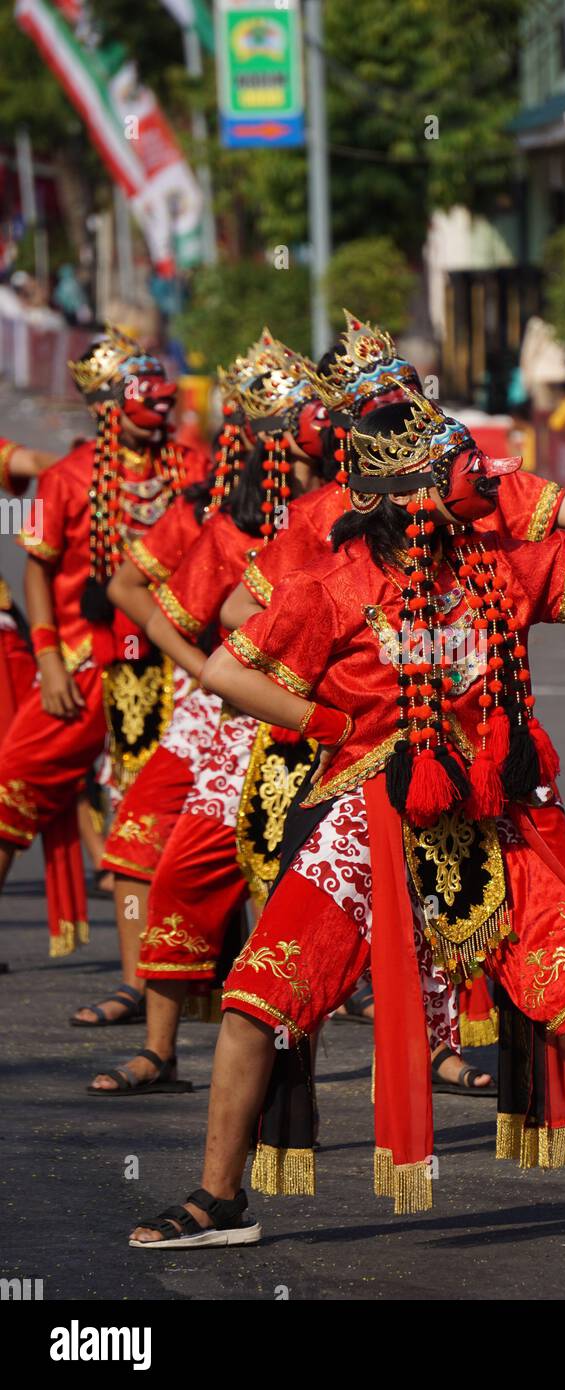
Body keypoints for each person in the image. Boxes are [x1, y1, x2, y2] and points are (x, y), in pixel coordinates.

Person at [128, 388, 565, 1255]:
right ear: (400, 495)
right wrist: (329, 725)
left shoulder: (492, 565)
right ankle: (217, 1200)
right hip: (362, 827)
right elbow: (225, 670)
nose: (479, 477)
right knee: (257, 1003)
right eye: (452, 467)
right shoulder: (332, 588)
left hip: (479, 828)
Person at [87, 336, 326, 1093]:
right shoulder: (229, 523)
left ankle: (432, 1055)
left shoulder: (351, 513)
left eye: (304, 431)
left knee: (376, 899)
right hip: (234, 725)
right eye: (281, 433)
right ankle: (160, 1042)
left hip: (336, 727)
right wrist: (216, 681)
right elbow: (158, 608)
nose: (293, 448)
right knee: (175, 865)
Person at [0, 327, 208, 956]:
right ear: (103, 407)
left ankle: (170, 968)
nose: (159, 412)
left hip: (177, 672)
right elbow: (37, 568)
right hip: (84, 666)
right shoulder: (66, 476)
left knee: (183, 822)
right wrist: (48, 661)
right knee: (12, 784)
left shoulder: (195, 466)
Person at [70, 345, 257, 1026]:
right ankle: (136, 986)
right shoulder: (79, 475)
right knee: (134, 827)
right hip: (147, 675)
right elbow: (119, 582)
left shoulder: (206, 474)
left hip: (255, 696)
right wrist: (188, 651)